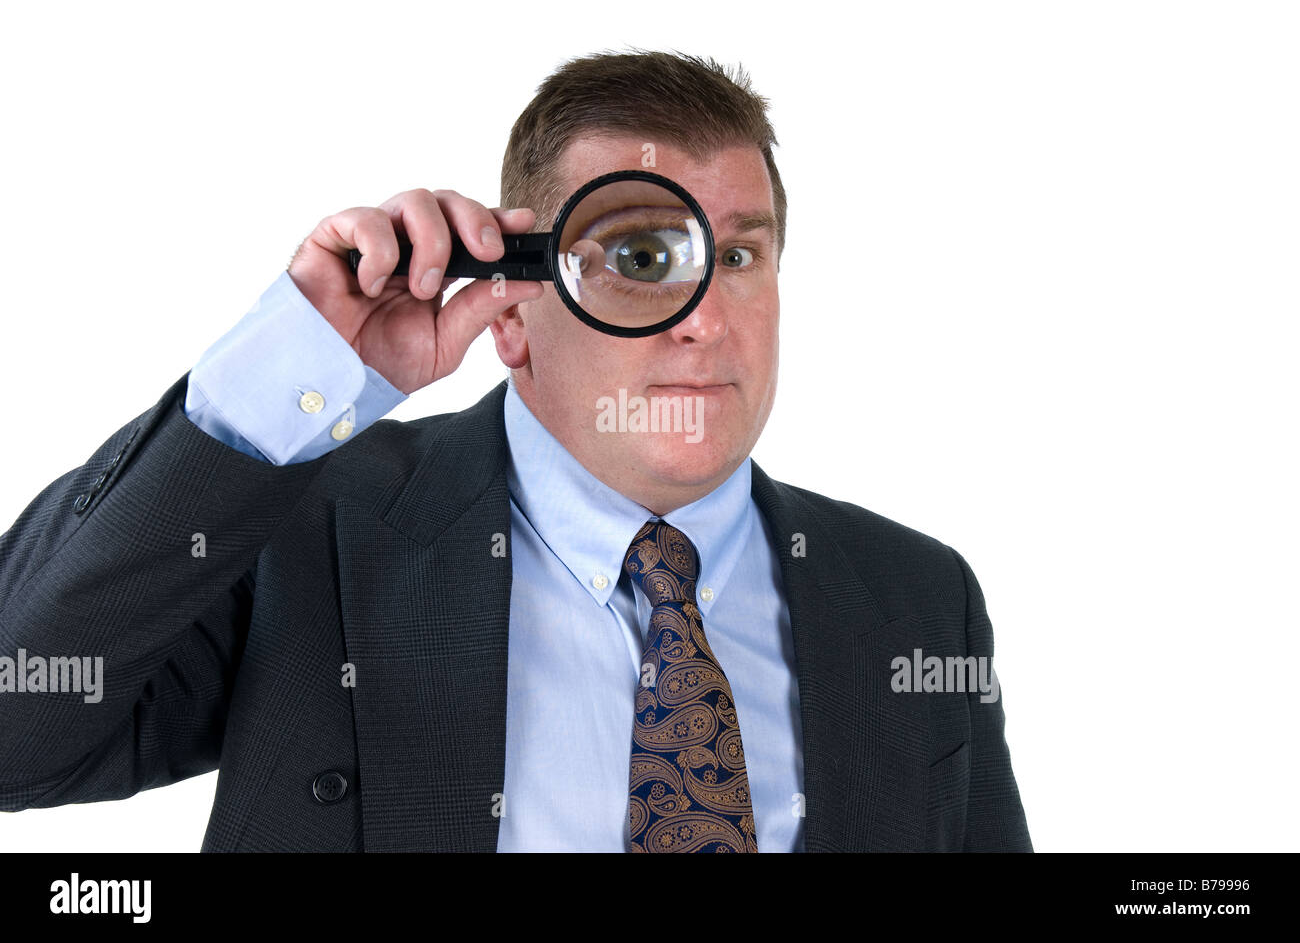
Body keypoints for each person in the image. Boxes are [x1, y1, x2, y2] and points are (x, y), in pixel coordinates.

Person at [0, 49, 1031, 852]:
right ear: (512, 312)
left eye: (744, 254)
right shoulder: (310, 530)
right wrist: (287, 375)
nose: (707, 320)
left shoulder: (915, 596)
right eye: (642, 257)